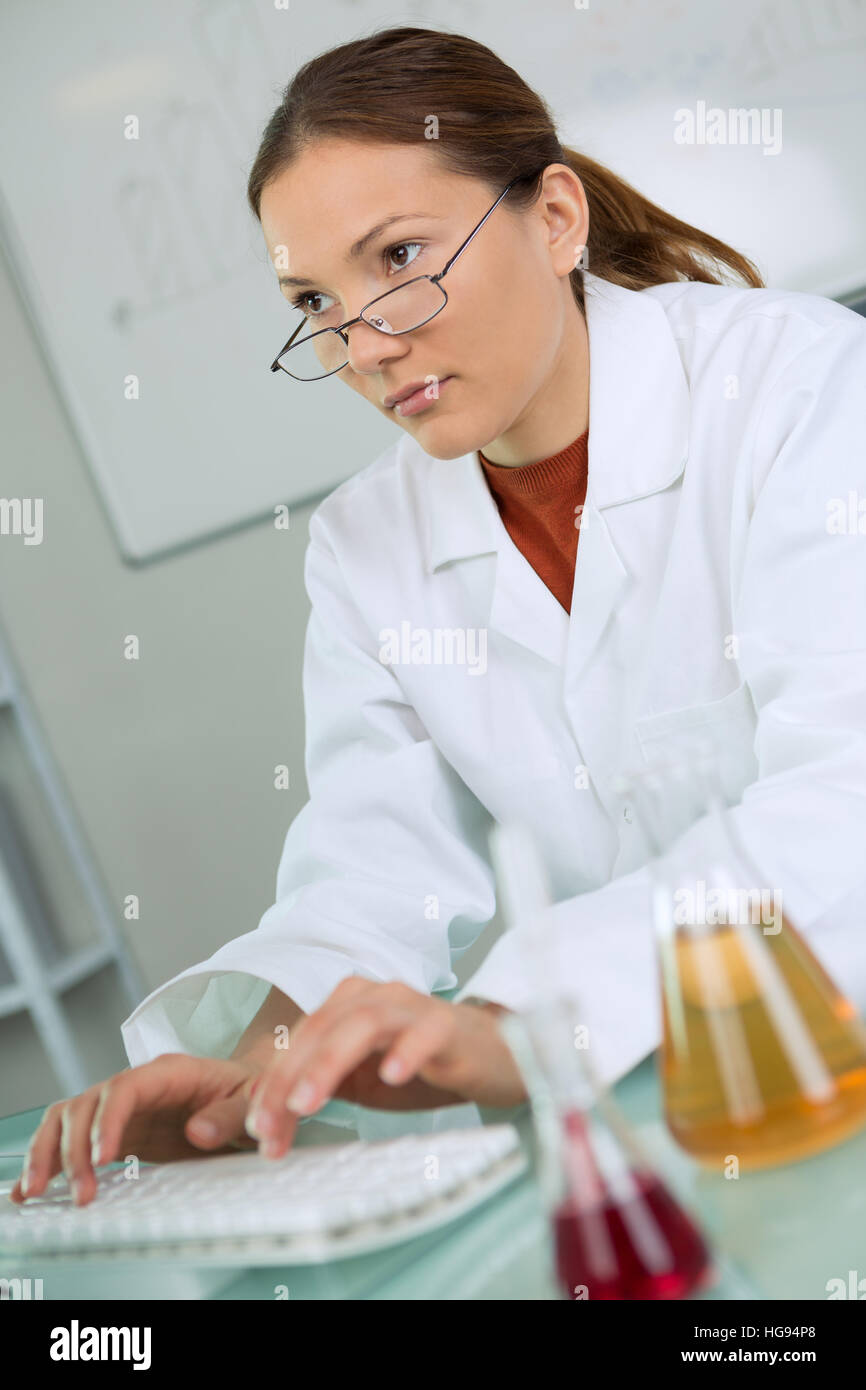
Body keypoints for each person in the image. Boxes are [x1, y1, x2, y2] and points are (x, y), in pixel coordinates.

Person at [13, 25, 866, 1210]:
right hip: (643, 1116)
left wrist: (519, 1018)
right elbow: (377, 865)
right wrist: (248, 1073)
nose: (364, 342)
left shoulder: (796, 389)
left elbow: (841, 796)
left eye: (399, 254)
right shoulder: (366, 545)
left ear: (554, 218)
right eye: (315, 298)